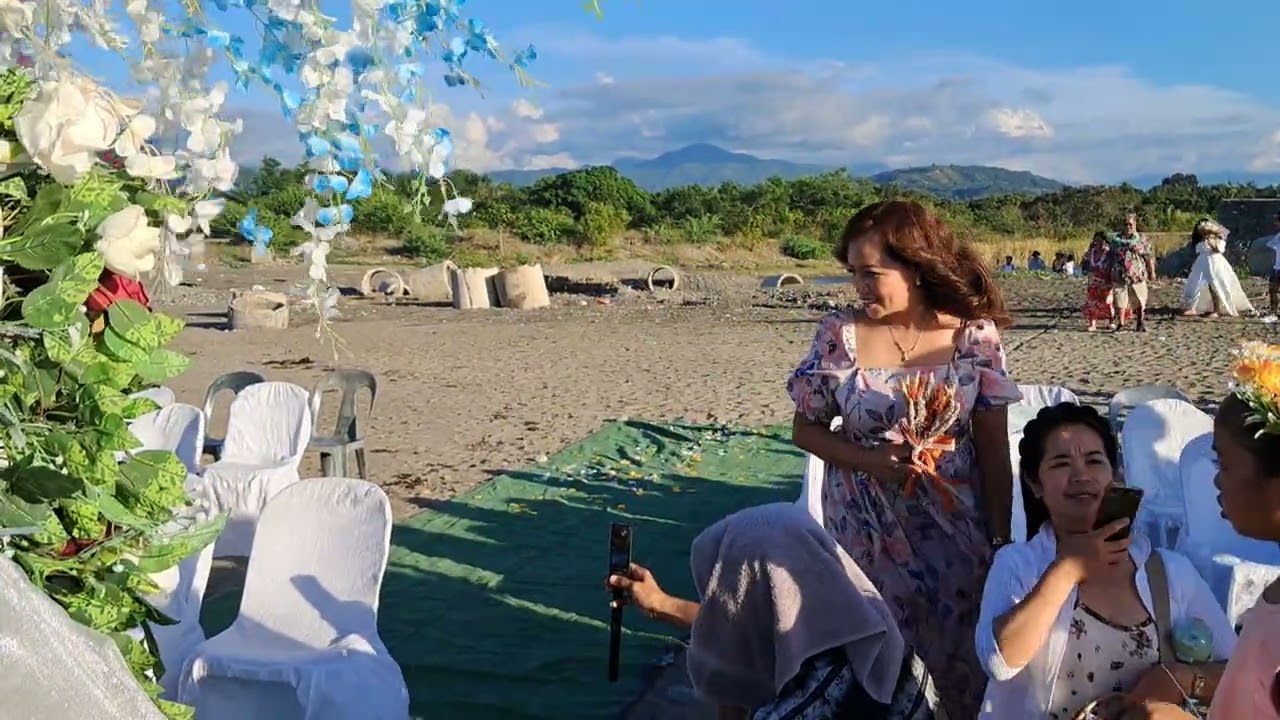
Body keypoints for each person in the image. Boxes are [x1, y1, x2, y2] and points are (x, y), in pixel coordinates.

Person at [787, 199, 1020, 718]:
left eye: (872, 273)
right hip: (865, 528)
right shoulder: (839, 336)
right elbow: (805, 429)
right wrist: (867, 460)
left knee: (958, 651)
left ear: (915, 266)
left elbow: (992, 445)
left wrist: (1001, 542)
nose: (860, 288)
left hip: (956, 527)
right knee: (877, 649)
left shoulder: (972, 335)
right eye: (852, 274)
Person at [975, 403, 1235, 719]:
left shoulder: (1167, 571)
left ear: (1114, 474)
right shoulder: (1017, 565)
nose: (1081, 475)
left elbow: (1237, 667)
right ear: (1034, 484)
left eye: (1095, 461)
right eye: (1061, 464)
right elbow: (999, 662)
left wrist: (1181, 679)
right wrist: (1068, 568)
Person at [605, 503, 944, 720]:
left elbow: (743, 635)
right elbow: (754, 630)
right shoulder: (892, 655)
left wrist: (729, 691)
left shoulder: (791, 712)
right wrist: (662, 604)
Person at [1181, 218, 1253, 317]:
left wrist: (1212, 242)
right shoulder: (1202, 242)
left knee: (1216, 285)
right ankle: (1192, 307)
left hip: (1215, 264)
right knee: (1195, 284)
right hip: (1202, 263)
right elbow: (1199, 250)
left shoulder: (1219, 241)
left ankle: (1217, 309)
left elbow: (1218, 250)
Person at [1107, 214, 1156, 332]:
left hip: (1137, 274)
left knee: (1140, 299)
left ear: (1135, 224)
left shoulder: (1142, 239)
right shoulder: (1115, 240)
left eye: (1130, 224)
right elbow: (1110, 256)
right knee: (1120, 300)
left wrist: (1152, 272)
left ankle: (1140, 321)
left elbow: (1149, 257)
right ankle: (1121, 323)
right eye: (1126, 224)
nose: (1128, 227)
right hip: (1119, 273)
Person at [1083, 232, 1127, 332]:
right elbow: (1085, 263)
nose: (1099, 242)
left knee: (1108, 302)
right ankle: (1092, 323)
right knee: (1092, 302)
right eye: (1096, 240)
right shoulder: (1091, 252)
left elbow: (1114, 264)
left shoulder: (1109, 253)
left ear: (1105, 241)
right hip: (1094, 280)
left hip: (1106, 279)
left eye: (1101, 240)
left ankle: (1111, 321)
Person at [1265, 211, 1280, 317]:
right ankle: (1273, 310)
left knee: (1273, 289)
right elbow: (1270, 245)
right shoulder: (1278, 236)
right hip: (1277, 268)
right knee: (1272, 289)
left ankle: (1274, 310)